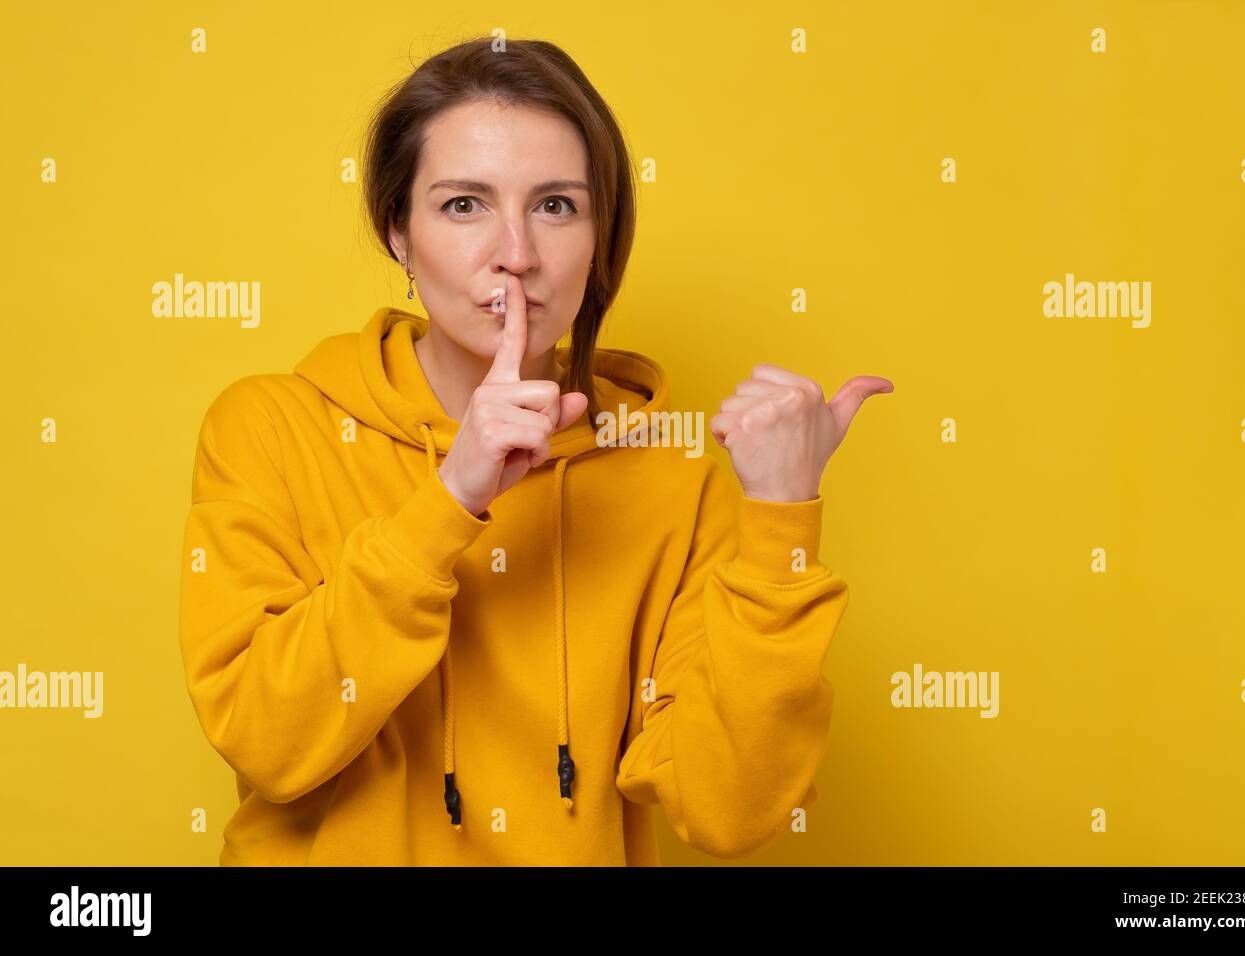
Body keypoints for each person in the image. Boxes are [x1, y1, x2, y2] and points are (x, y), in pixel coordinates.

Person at [178, 35, 893, 866]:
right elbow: (267, 740)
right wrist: (450, 500)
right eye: (463, 205)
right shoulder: (271, 427)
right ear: (397, 235)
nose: (515, 254)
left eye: (556, 205)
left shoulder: (670, 478)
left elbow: (729, 810)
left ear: (599, 243)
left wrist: (779, 520)